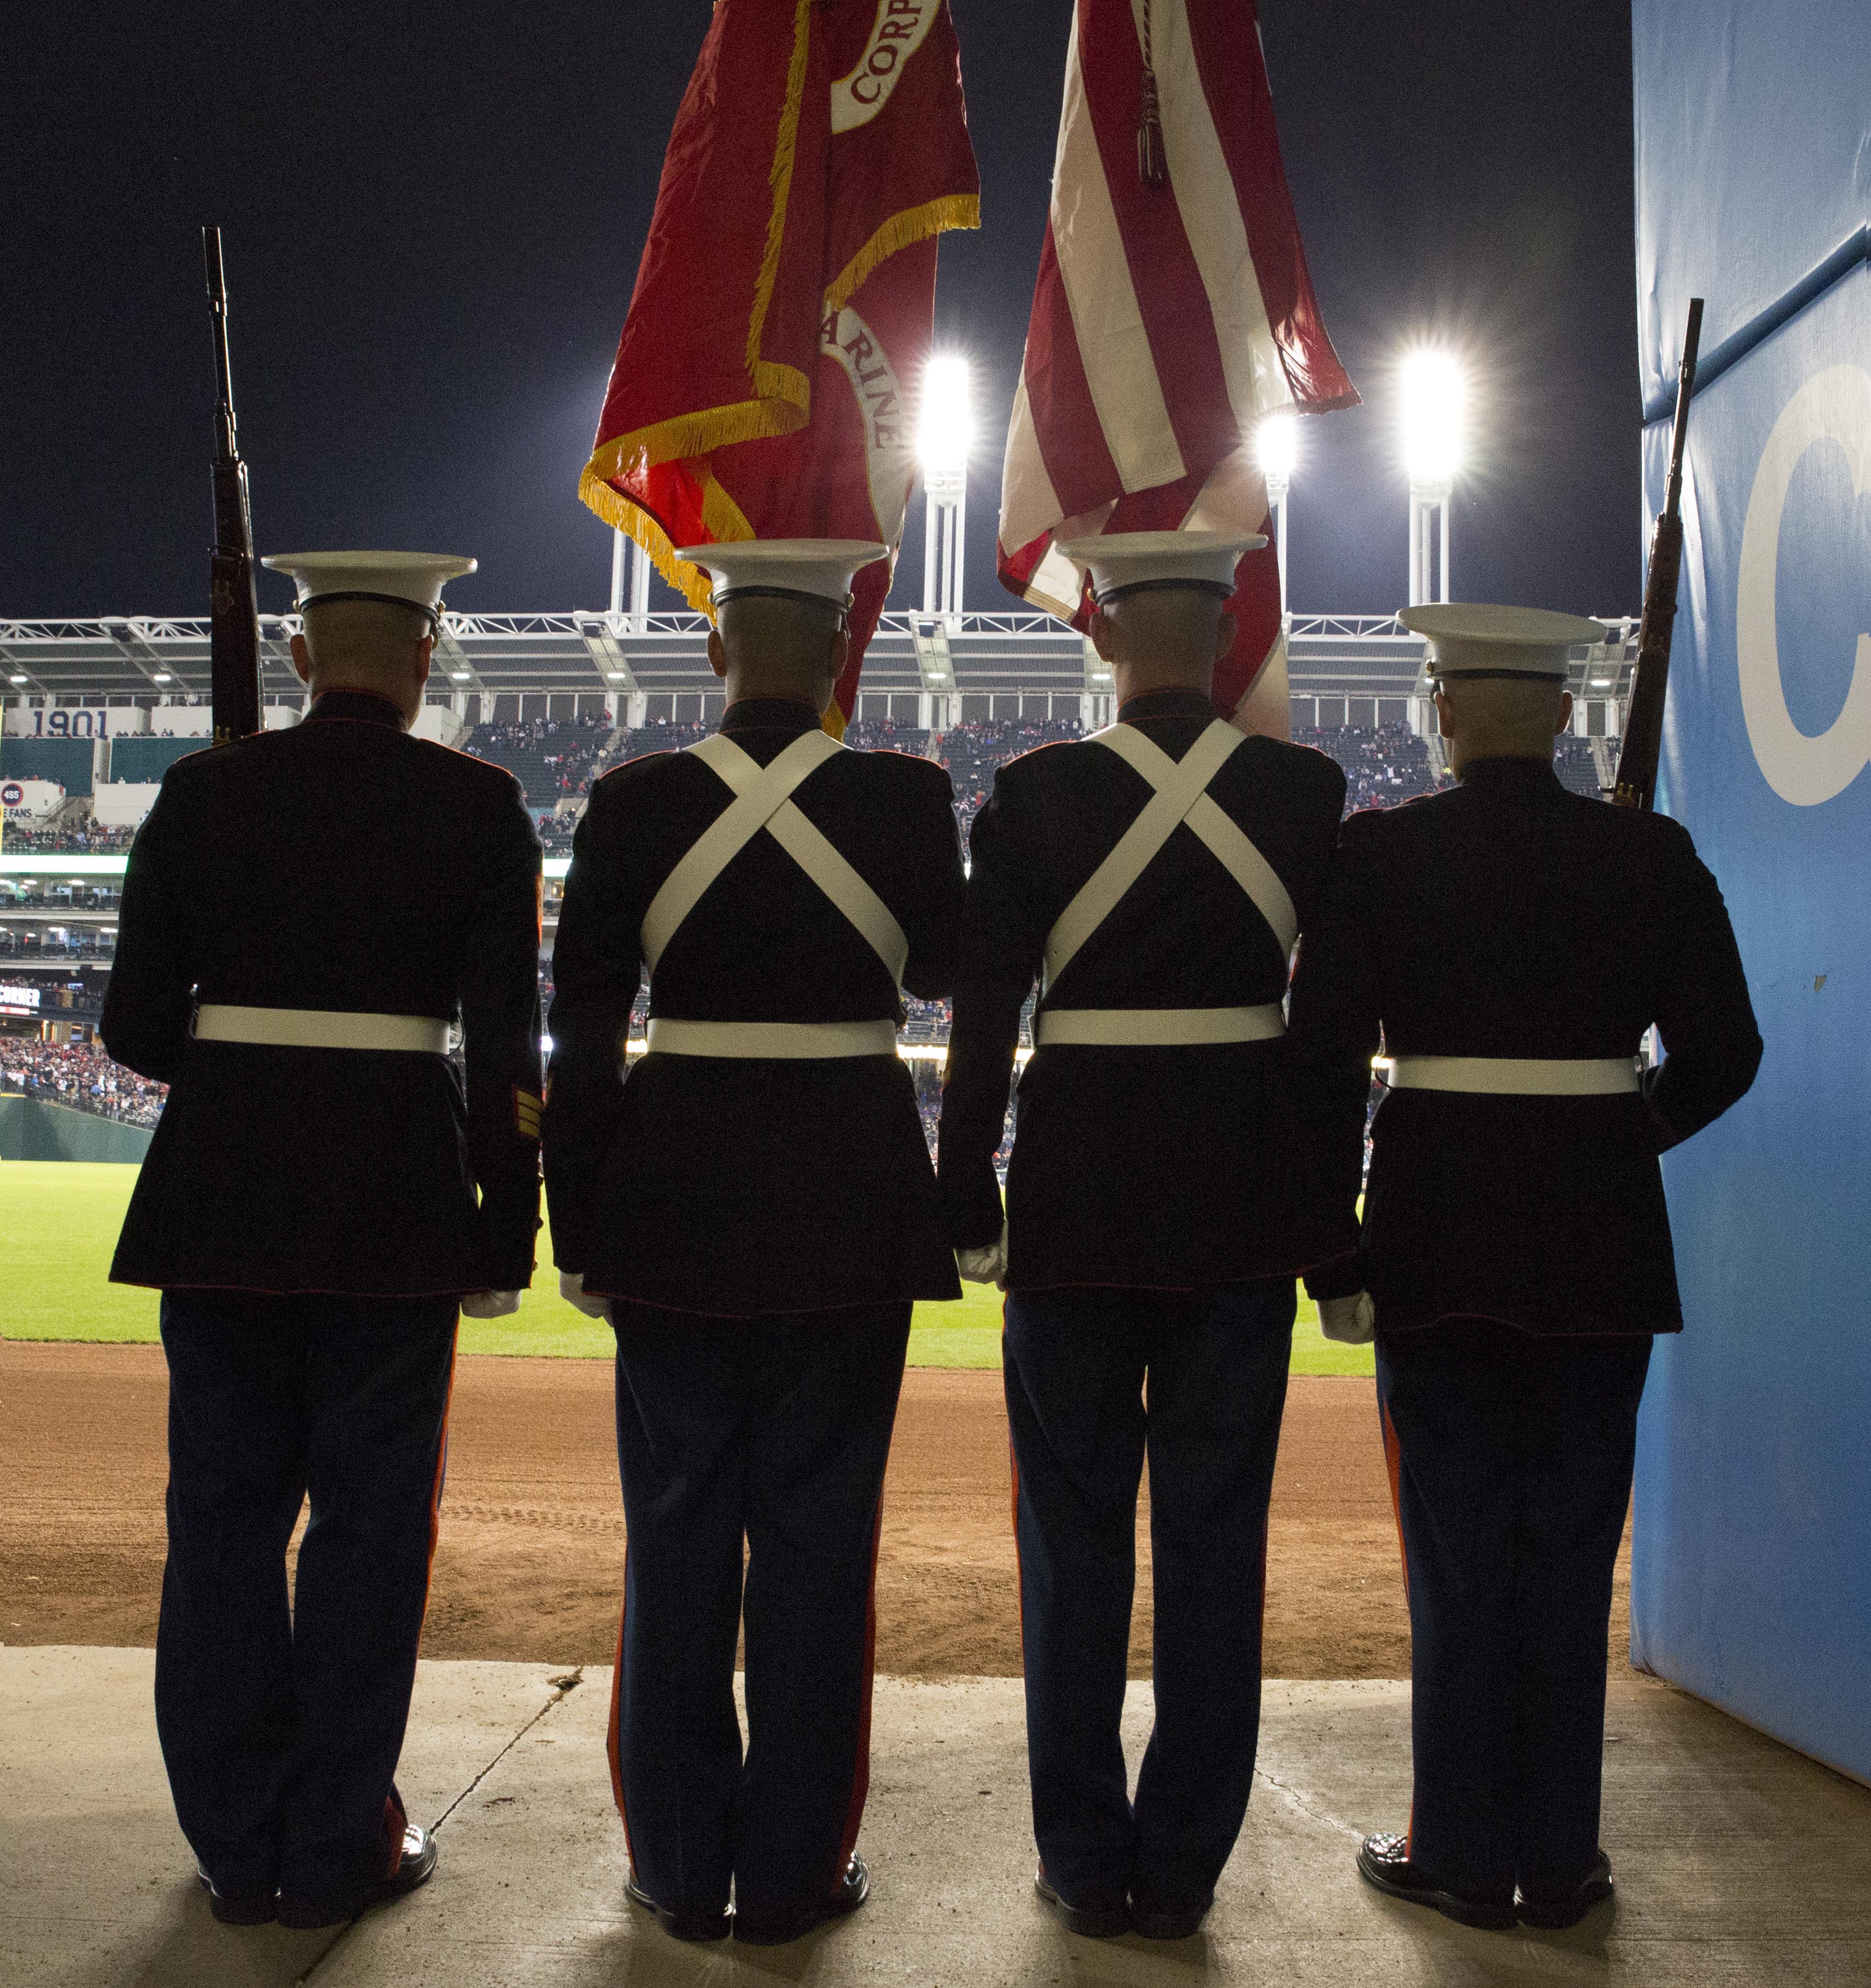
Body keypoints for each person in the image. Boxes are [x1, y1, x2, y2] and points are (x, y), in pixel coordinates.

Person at [1289, 602, 1762, 1931]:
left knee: (1454, 1554)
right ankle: (1557, 1860)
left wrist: (1332, 1244)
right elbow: (1725, 1055)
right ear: (1562, 713)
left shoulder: (1377, 857)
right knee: (1566, 1550)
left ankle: (1458, 1847)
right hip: (1598, 1240)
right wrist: (1616, 1133)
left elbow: (1322, 1062)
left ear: (1444, 711)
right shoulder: (1650, 855)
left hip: (1436, 1228)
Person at [102, 551, 544, 1929]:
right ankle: (338, 1840)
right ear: (425, 659)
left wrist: (247, 1071)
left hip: (222, 1200)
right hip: (394, 1210)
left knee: (221, 1526)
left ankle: (238, 1847)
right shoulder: (480, 807)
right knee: (367, 1538)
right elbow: (499, 1044)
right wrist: (502, 1225)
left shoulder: (200, 791)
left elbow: (128, 1026)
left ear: (298, 659)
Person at [541, 538, 965, 1946]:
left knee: (674, 1548)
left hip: (671, 1210)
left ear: (715, 651)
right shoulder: (906, 804)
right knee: (818, 1553)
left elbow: (584, 1033)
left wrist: (580, 1220)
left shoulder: (632, 804)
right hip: (850, 1200)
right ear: (839, 660)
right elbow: (944, 971)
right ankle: (789, 1876)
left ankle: (676, 1868)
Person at [938, 532, 1351, 1941]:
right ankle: (1180, 1868)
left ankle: (1082, 1855)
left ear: (1101, 636)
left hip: (1077, 1203)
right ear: (1227, 634)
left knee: (1071, 1548)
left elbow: (986, 1014)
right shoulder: (1305, 795)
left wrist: (965, 1191)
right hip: (1238, 1211)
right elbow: (1330, 1042)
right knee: (1213, 1548)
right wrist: (1323, 1215)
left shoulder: (1035, 799)